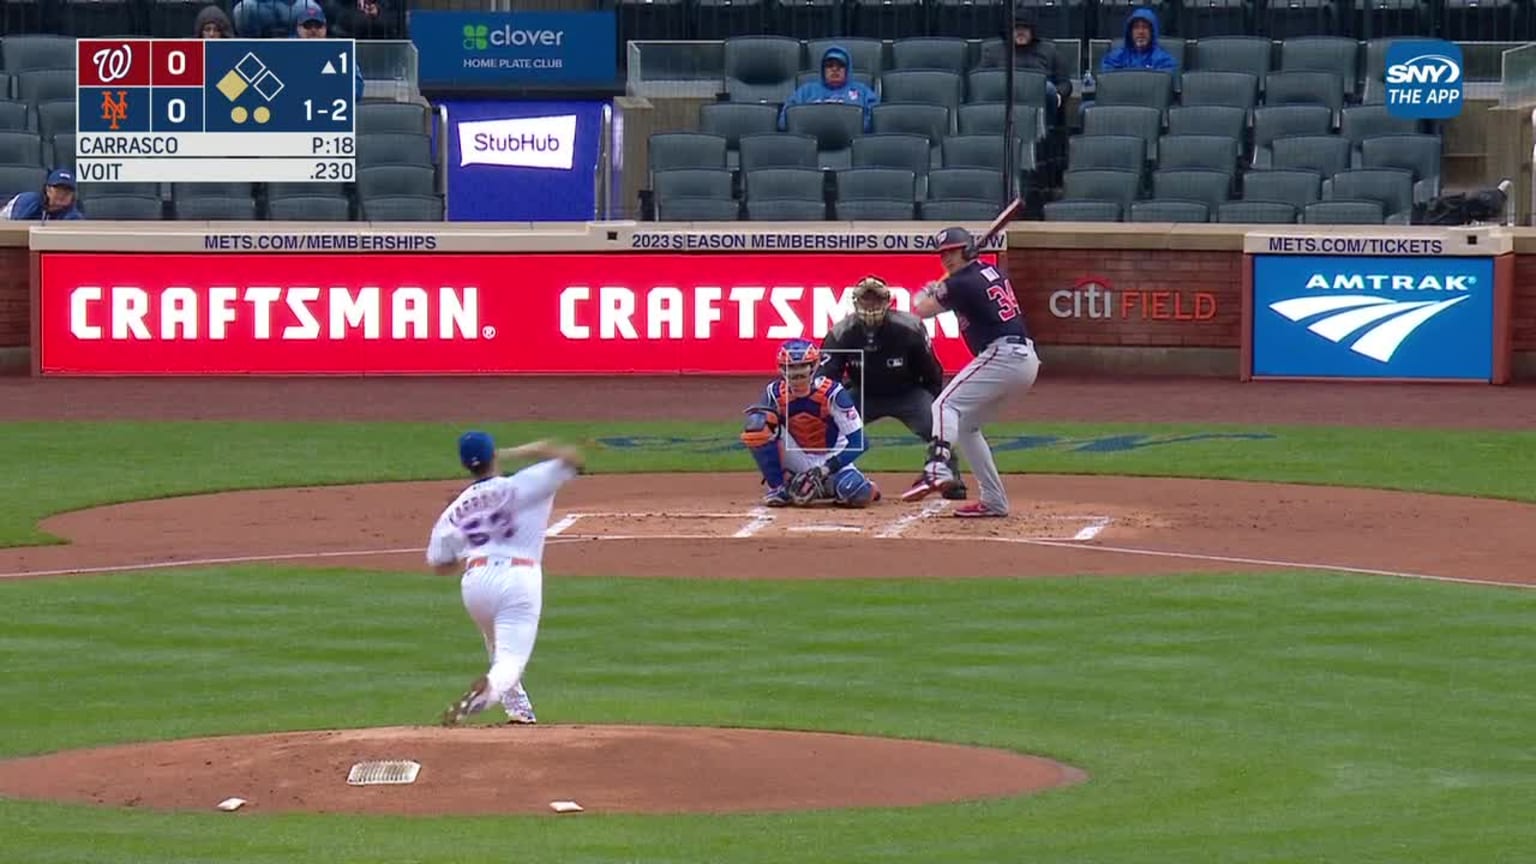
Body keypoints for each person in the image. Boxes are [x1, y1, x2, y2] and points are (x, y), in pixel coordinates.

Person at [432, 432, 583, 727]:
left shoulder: (455, 509)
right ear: (493, 456)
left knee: (496, 644)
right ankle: (484, 695)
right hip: (518, 578)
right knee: (510, 661)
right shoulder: (523, 484)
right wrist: (524, 449)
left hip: (475, 583)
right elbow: (572, 459)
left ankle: (520, 711)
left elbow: (441, 564)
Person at [899, 228, 1041, 518]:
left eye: (953, 251)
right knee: (966, 426)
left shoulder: (960, 282)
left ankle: (936, 466)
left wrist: (926, 292)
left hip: (1004, 355)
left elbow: (921, 311)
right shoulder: (986, 272)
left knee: (943, 404)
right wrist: (940, 288)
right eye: (943, 253)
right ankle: (994, 500)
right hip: (1021, 360)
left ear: (967, 250)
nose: (947, 258)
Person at [819, 276, 966, 501]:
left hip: (907, 393)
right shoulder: (841, 332)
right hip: (863, 393)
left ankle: (950, 478)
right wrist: (832, 407)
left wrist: (934, 402)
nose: (871, 305)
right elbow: (828, 378)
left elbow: (931, 370)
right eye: (865, 300)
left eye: (875, 300)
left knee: (937, 425)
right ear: (855, 302)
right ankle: (823, 476)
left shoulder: (910, 328)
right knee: (827, 425)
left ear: (887, 302)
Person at [740, 338, 880, 508]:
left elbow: (860, 443)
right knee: (757, 426)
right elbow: (760, 427)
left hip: (831, 456)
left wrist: (825, 469)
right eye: (791, 367)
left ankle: (838, 485)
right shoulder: (774, 392)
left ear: (813, 366)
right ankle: (778, 488)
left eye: (802, 366)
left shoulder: (832, 393)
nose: (796, 373)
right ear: (782, 368)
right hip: (797, 454)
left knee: (858, 494)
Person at [979, 5, 1074, 117]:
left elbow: (1065, 83)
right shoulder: (993, 52)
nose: (1020, 32)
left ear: (1032, 30)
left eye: (1025, 28)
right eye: (1016, 28)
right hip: (1003, 104)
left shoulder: (1049, 51)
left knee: (1048, 88)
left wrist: (1058, 94)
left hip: (1040, 106)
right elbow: (980, 81)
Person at [777, 45, 879, 133]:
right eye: (830, 65)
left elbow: (875, 120)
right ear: (823, 69)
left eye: (841, 65)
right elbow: (784, 121)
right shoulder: (805, 91)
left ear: (848, 69)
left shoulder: (863, 91)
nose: (835, 69)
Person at [294, 2, 366, 101]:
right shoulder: (285, 51)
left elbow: (357, 91)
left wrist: (326, 89)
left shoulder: (340, 52)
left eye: (318, 26)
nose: (313, 30)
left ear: (325, 28)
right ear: (298, 28)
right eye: (308, 26)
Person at [1101, 6, 1177, 71]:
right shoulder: (1114, 58)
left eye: (1145, 27)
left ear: (1152, 32)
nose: (1140, 32)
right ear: (1130, 32)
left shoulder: (1165, 61)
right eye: (1136, 27)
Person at [2, 169, 82, 221]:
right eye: (58, 190)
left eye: (67, 192)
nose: (62, 195)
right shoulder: (23, 201)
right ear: (48, 190)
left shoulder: (75, 219)